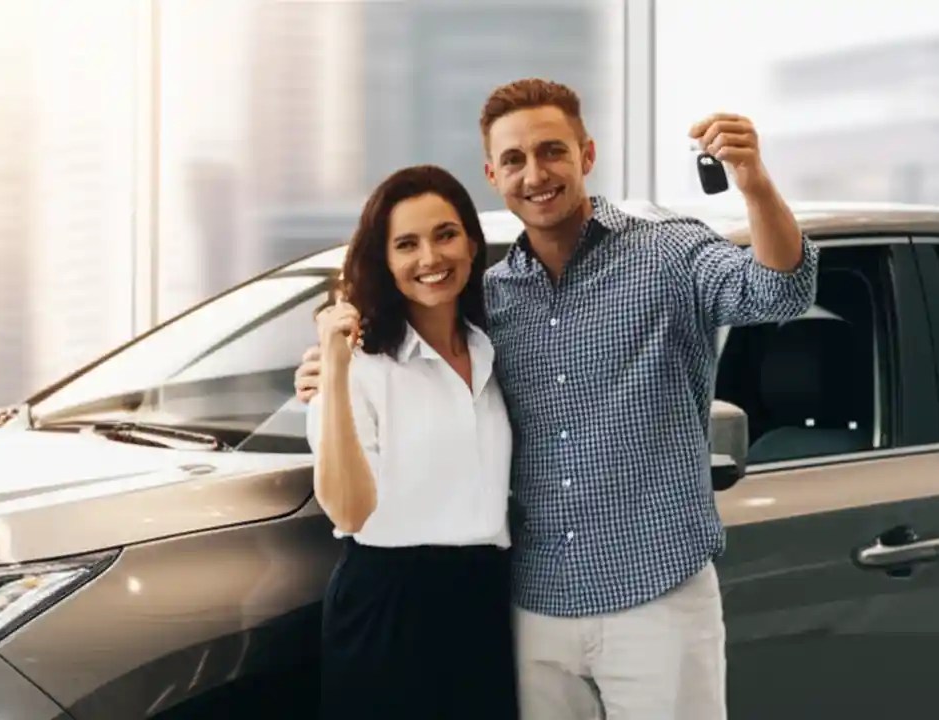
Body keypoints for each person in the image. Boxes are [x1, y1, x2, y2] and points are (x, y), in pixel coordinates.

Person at [296, 78, 818, 719]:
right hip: (531, 607)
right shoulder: (492, 300)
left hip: (654, 594)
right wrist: (333, 370)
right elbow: (410, 361)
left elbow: (779, 292)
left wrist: (753, 180)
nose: (534, 174)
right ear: (493, 174)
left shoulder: (668, 252)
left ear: (586, 155)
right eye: (513, 160)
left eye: (552, 151)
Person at [306, 164, 518, 719]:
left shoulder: (495, 349)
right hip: (390, 607)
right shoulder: (362, 368)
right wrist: (331, 365)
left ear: (471, 242)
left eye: (445, 234)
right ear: (386, 261)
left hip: (487, 599)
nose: (430, 258)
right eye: (407, 244)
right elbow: (349, 512)